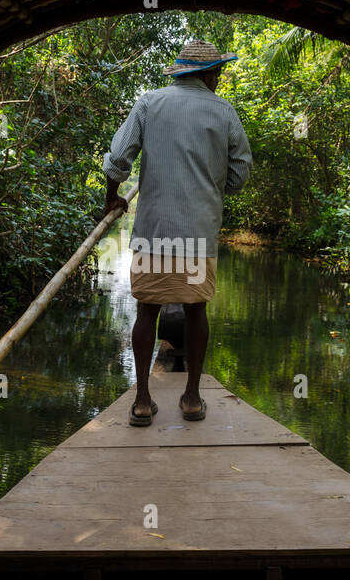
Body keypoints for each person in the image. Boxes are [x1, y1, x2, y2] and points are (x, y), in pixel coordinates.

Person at [101, 39, 253, 425]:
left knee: (146, 311)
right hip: (198, 234)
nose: (219, 78)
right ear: (209, 74)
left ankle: (141, 401)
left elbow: (119, 159)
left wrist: (112, 199)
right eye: (218, 72)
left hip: (154, 231)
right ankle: (190, 398)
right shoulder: (224, 112)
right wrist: (210, 182)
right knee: (195, 310)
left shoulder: (150, 103)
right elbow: (238, 176)